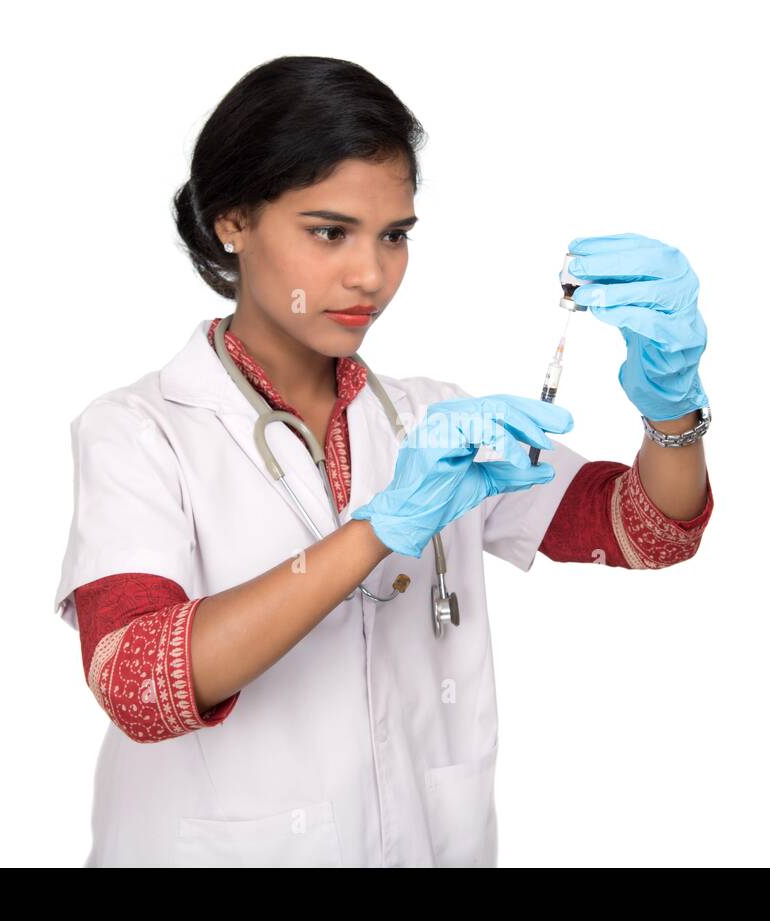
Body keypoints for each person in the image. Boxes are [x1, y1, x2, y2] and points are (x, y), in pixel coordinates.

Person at [53, 55, 715, 867]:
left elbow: (649, 530)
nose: (371, 275)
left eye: (394, 235)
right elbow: (136, 681)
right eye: (329, 231)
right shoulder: (138, 430)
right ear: (233, 220)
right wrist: (380, 528)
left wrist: (670, 401)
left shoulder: (432, 423)